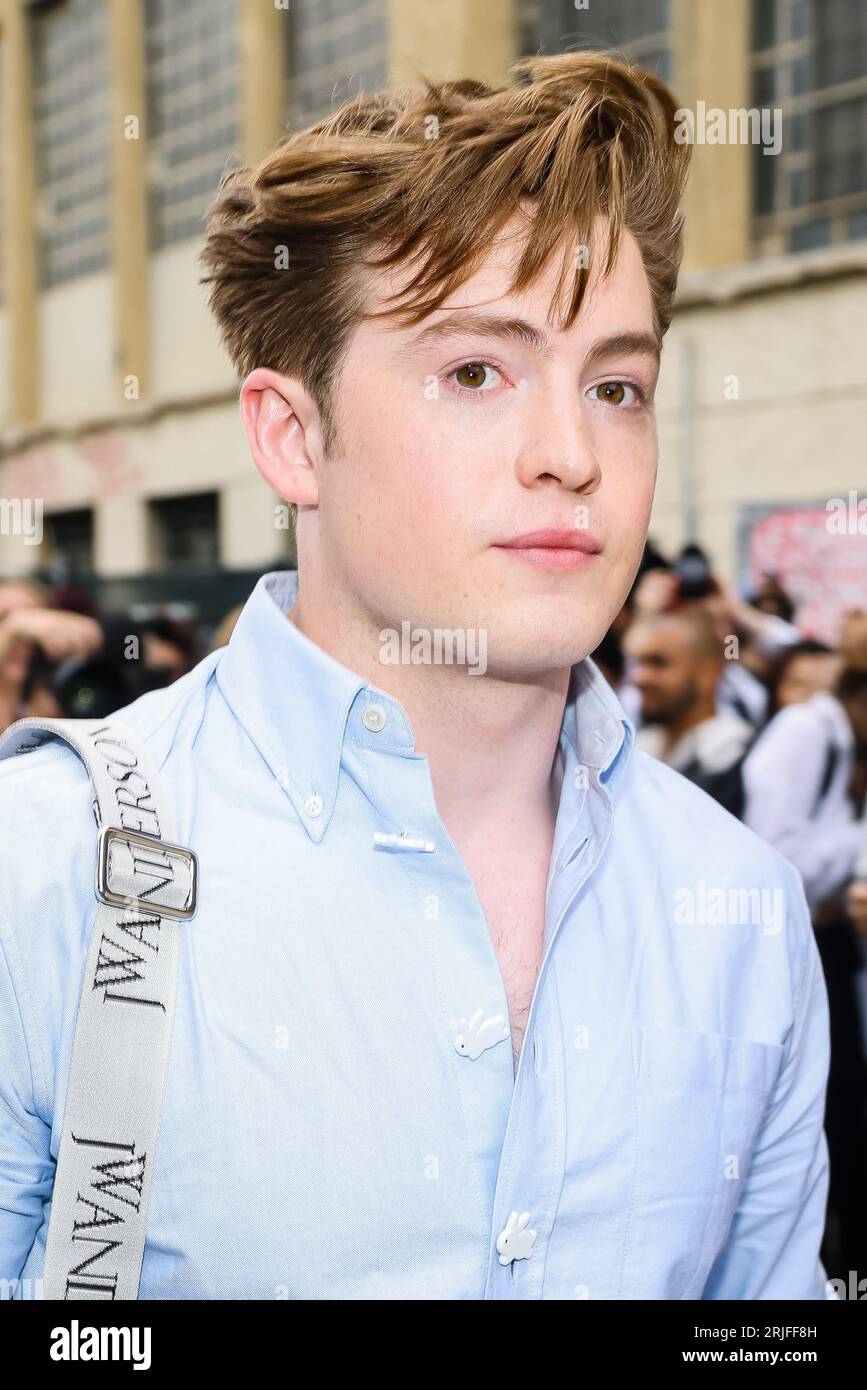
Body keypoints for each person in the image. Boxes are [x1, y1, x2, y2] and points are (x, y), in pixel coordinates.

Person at [0, 52, 834, 1300]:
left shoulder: (746, 913)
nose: (571, 455)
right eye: (475, 372)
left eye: (617, 386)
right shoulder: (41, 877)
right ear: (293, 435)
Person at [624, 608, 755, 817]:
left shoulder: (742, 759)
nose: (640, 678)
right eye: (640, 663)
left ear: (707, 673)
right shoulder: (636, 749)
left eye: (658, 663)